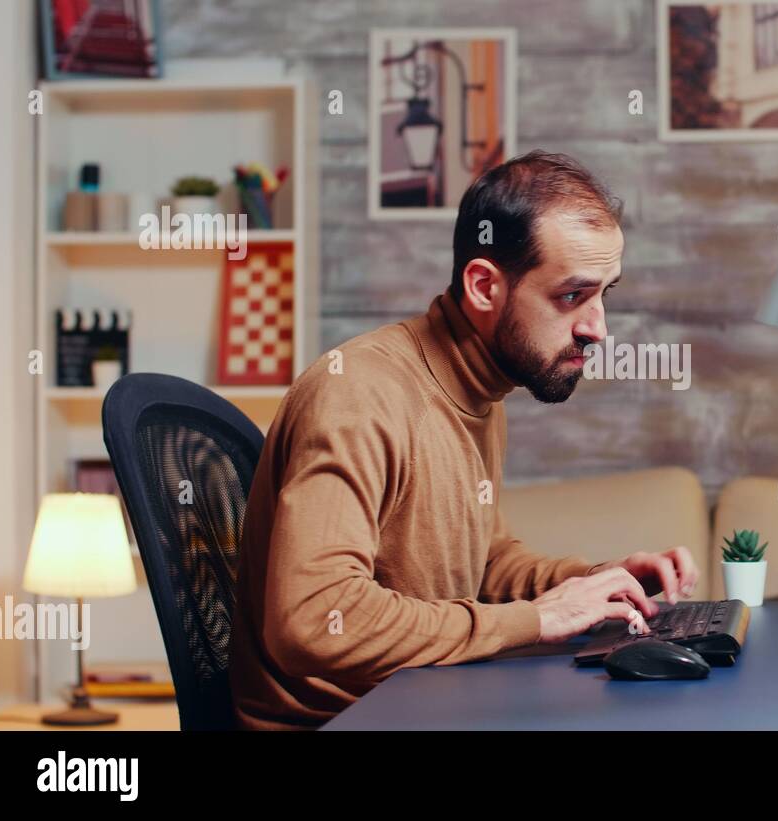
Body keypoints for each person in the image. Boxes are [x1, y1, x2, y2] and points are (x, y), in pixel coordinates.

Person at [229, 150, 700, 729]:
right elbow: (315, 617)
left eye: (606, 294)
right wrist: (536, 620)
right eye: (572, 296)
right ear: (483, 287)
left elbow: (479, 563)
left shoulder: (480, 391)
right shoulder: (360, 394)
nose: (598, 328)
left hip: (423, 705)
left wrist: (589, 584)